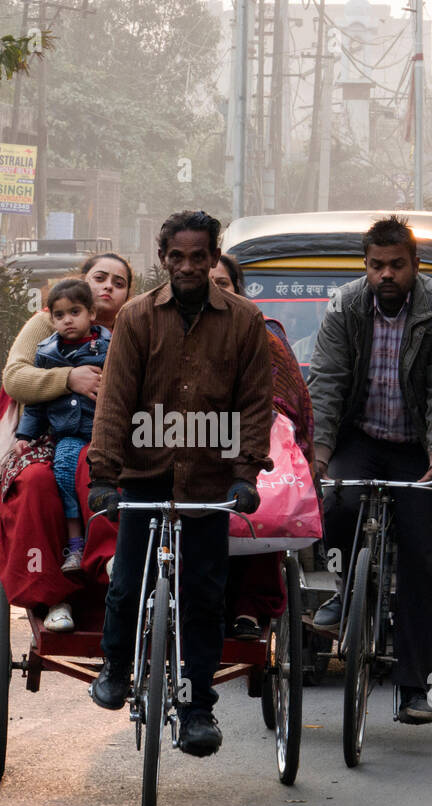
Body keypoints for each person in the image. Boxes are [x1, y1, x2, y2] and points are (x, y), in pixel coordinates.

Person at [87, 211, 272, 757]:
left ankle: (196, 710)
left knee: (203, 596)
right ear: (163, 260)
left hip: (210, 483)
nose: (188, 267)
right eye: (177, 257)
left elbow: (256, 404)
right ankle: (116, 669)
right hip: (144, 475)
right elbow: (116, 401)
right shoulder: (139, 318)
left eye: (199, 257)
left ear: (214, 257)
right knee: (126, 586)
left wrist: (246, 473)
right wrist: (103, 475)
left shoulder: (244, 320)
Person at [307, 215, 432, 724]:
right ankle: (347, 591)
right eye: (377, 265)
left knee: (423, 556)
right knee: (335, 504)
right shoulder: (345, 305)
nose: (386, 275)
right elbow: (328, 383)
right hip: (360, 436)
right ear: (366, 266)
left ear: (414, 265)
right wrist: (315, 457)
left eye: (396, 265)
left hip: (418, 445)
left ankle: (414, 686)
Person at [0, 253, 134, 617]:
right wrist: (68, 379)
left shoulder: (132, 328)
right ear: (83, 281)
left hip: (114, 439)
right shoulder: (48, 324)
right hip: (46, 438)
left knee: (110, 475)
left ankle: (117, 566)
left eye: (119, 284)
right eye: (100, 277)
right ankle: (52, 594)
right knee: (37, 483)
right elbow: (15, 378)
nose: (108, 287)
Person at [209, 256, 316, 639]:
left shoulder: (264, 334)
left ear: (238, 290)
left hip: (253, 440)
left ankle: (250, 610)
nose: (214, 291)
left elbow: (289, 399)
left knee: (257, 502)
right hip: (187, 441)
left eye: (222, 283)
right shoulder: (171, 332)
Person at [12, 279, 112, 629]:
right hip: (67, 434)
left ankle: (112, 553)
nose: (67, 320)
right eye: (59, 314)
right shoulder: (46, 350)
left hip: (106, 431)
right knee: (65, 469)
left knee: (109, 473)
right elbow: (31, 399)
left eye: (75, 312)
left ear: (91, 313)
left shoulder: (111, 344)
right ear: (49, 317)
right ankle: (75, 544)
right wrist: (26, 434)